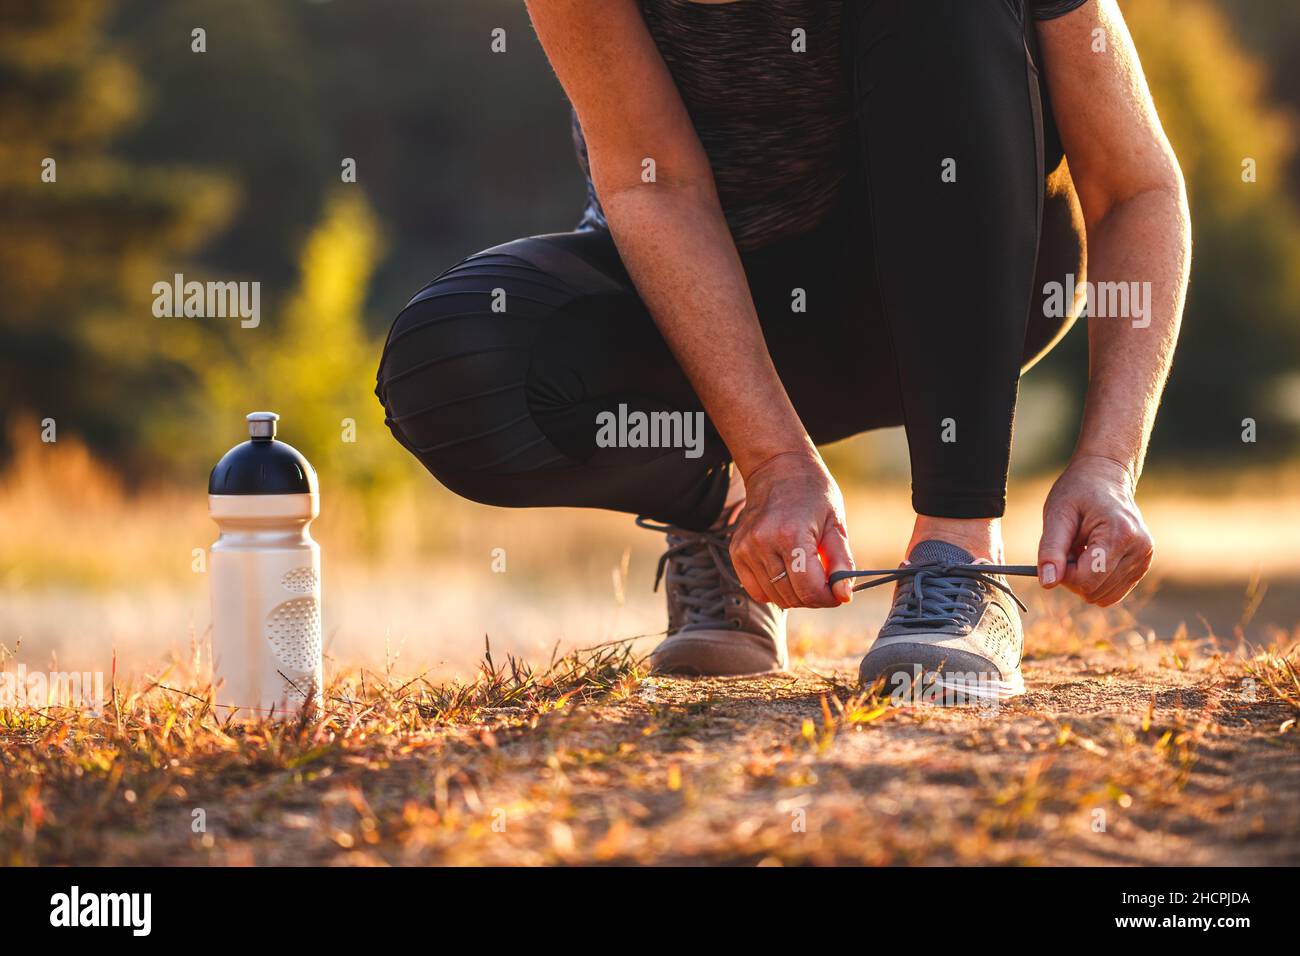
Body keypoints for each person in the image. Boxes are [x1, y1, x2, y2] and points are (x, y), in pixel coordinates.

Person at [376, 0, 1190, 701]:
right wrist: (769, 461)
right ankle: (726, 507)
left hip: (947, 292)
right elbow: (653, 186)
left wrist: (1108, 464)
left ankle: (959, 561)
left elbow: (1135, 189)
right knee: (452, 364)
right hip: (703, 318)